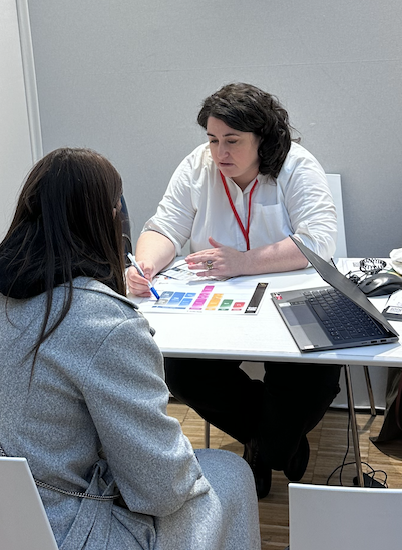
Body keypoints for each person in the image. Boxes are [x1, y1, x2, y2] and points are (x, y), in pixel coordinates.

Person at [0, 148, 261, 549]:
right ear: (110, 219)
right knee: (231, 472)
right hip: (65, 535)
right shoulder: (103, 320)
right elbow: (162, 489)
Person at [127, 83, 340, 498]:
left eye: (232, 141)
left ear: (262, 138)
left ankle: (267, 447)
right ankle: (274, 440)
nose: (219, 152)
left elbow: (319, 241)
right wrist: (147, 263)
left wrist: (243, 261)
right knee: (181, 372)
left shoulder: (297, 165)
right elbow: (165, 227)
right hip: (219, 306)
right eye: (212, 140)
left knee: (312, 381)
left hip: (291, 301)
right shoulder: (197, 166)